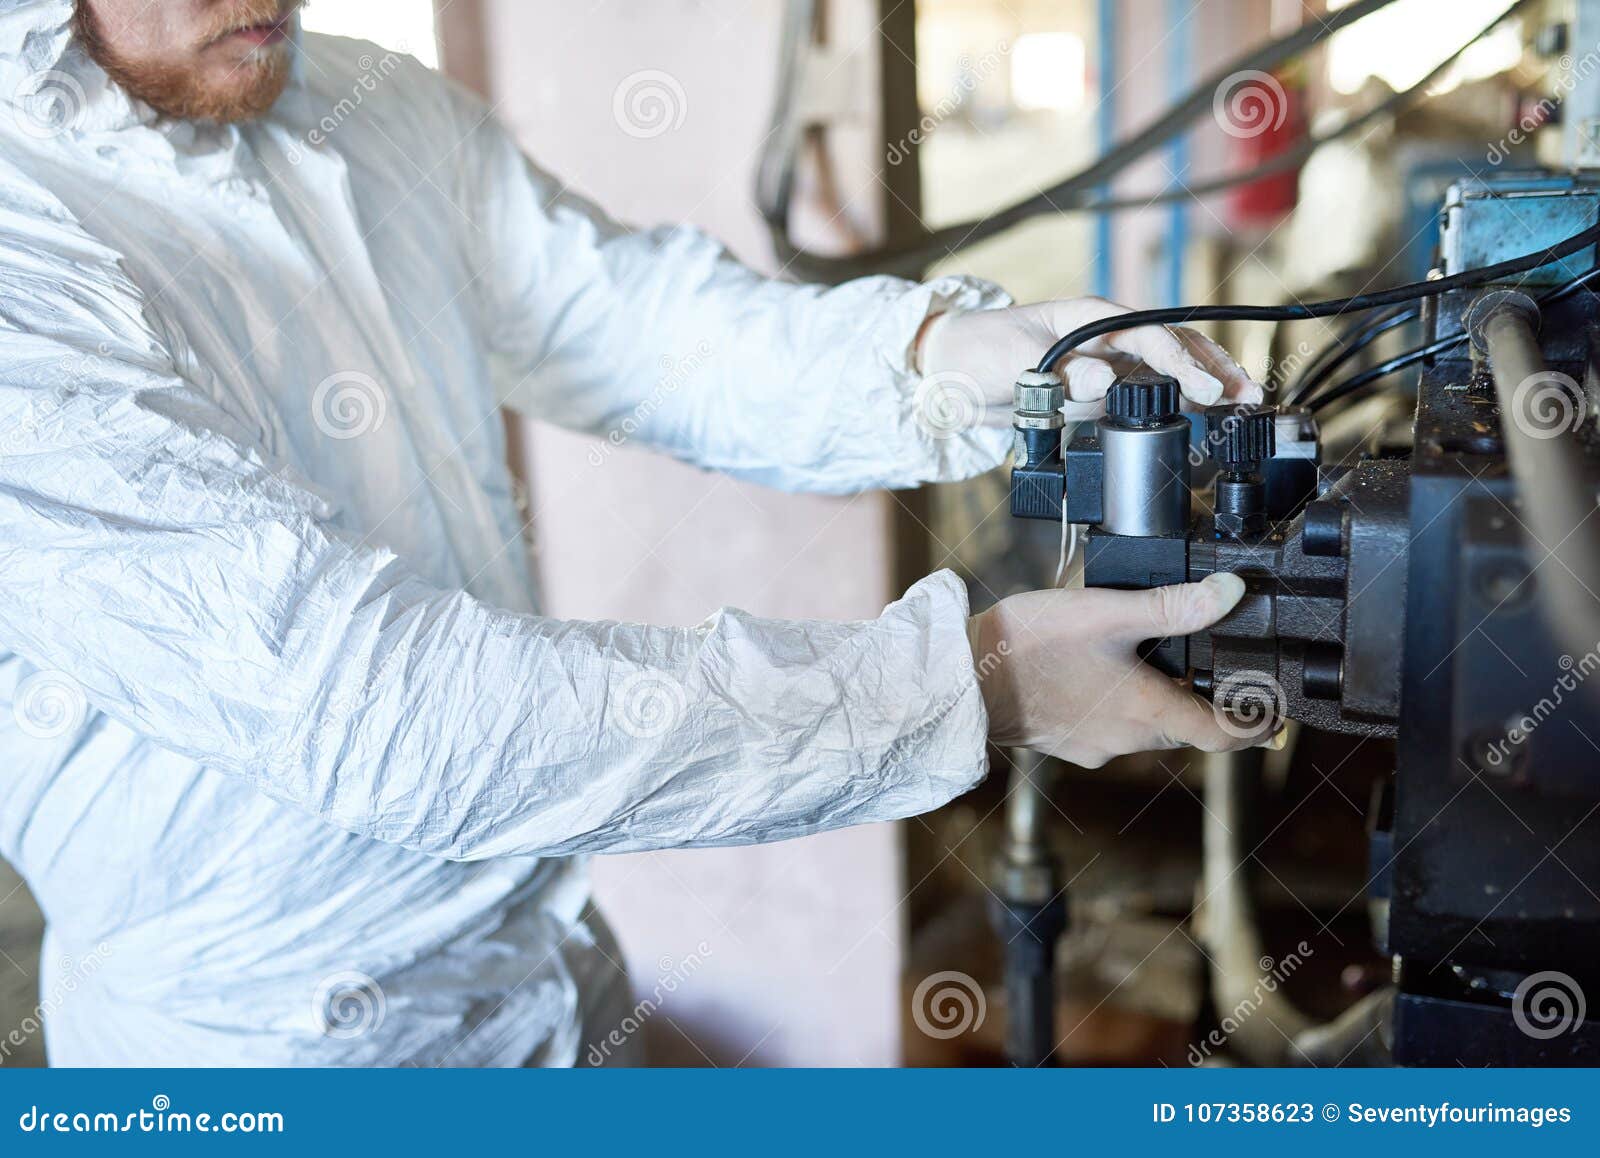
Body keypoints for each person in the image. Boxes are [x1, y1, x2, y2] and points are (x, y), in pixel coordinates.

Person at [0, 0, 1264, 1066]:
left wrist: (958, 352)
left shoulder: (357, 103)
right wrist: (960, 687)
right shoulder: (23, 248)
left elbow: (639, 330)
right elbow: (378, 713)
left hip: (546, 964)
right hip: (273, 1048)